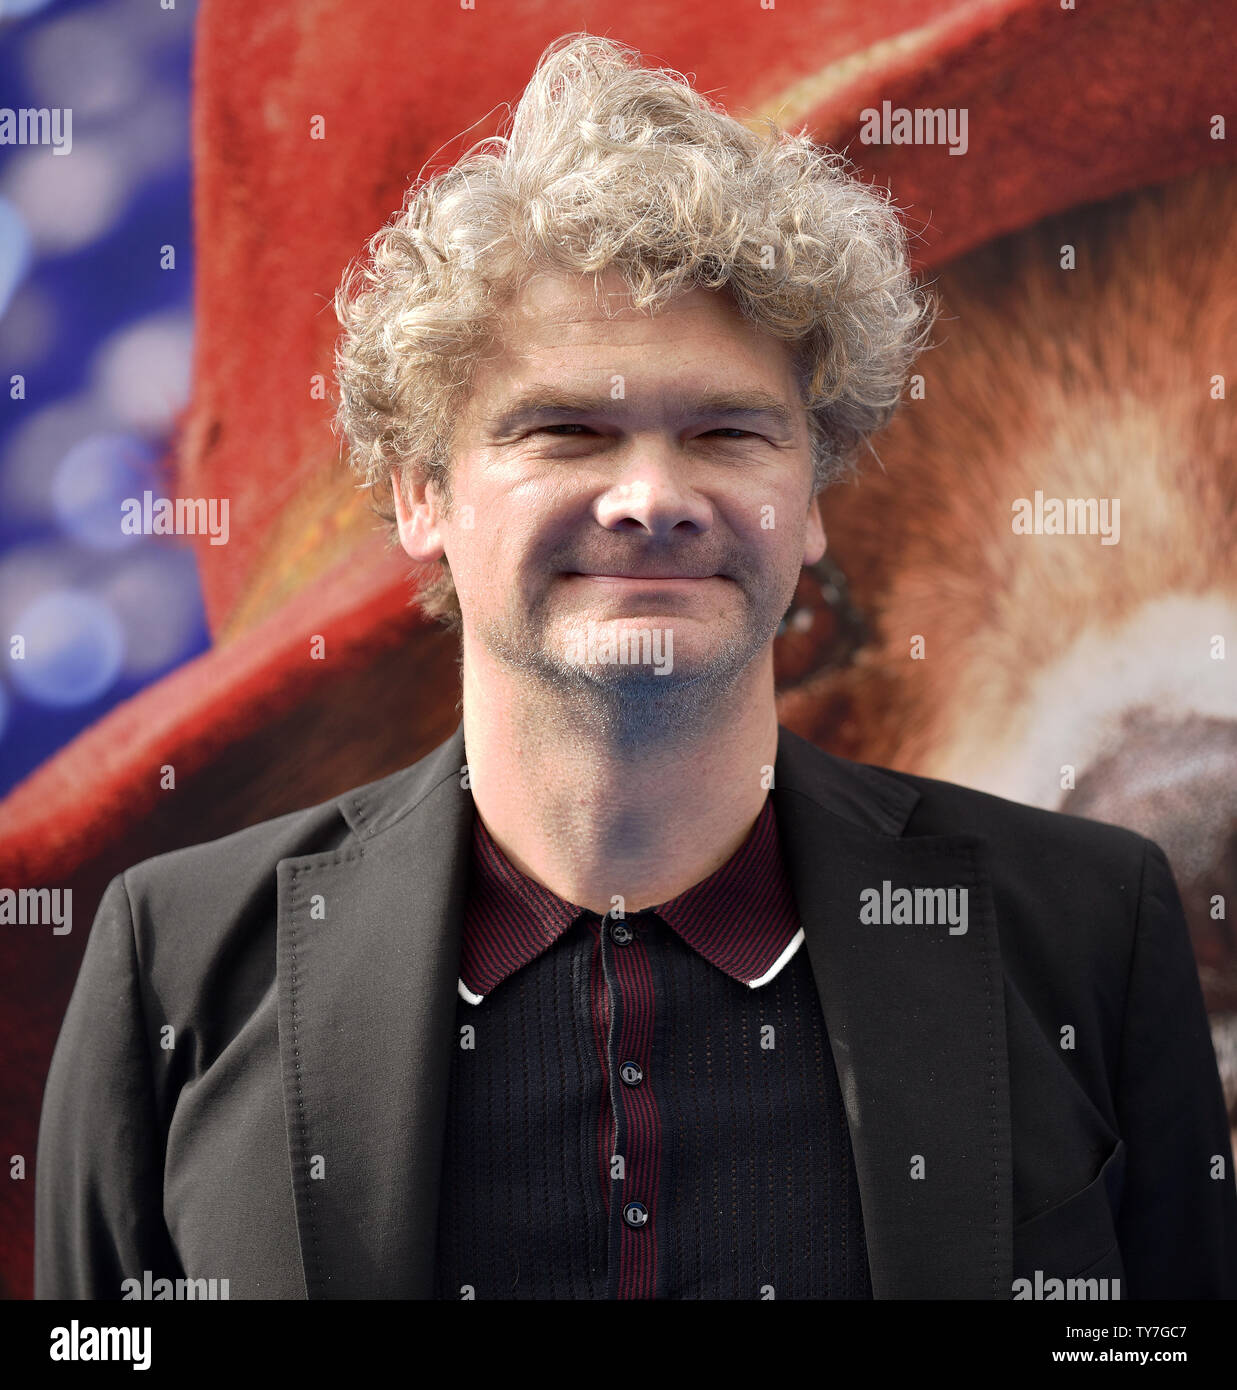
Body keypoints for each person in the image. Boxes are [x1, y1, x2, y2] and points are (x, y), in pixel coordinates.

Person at [35, 31, 1236, 1300]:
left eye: (729, 431)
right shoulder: (175, 961)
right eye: (565, 430)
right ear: (416, 494)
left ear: (812, 487)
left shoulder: (1100, 927)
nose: (651, 498)